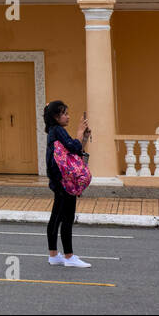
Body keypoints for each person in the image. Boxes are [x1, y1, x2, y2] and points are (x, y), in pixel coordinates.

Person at [44, 99, 91, 268]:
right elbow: (72, 146)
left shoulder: (54, 130)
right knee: (67, 217)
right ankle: (69, 257)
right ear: (56, 117)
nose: (67, 116)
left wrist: (83, 138)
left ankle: (54, 255)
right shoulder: (58, 130)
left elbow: (75, 150)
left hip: (58, 179)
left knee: (56, 217)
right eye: (64, 113)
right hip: (64, 181)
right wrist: (79, 131)